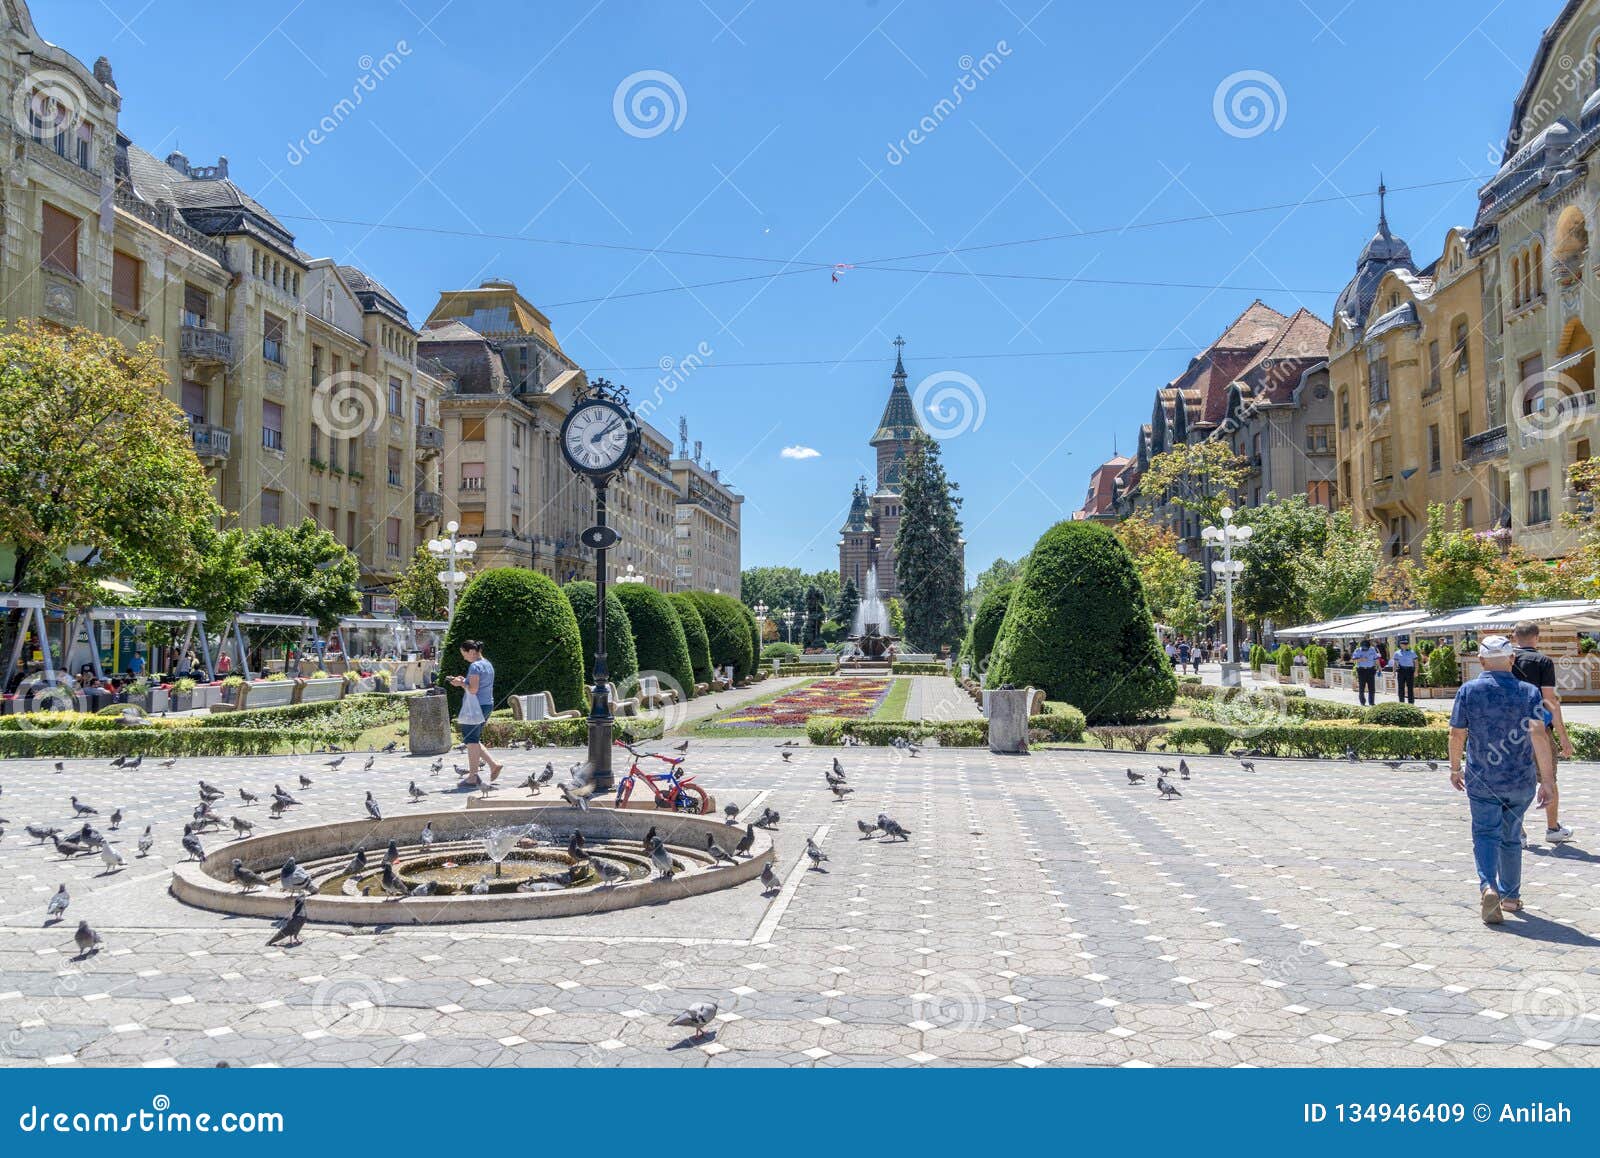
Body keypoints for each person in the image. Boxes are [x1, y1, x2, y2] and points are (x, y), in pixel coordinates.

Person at [1449, 634, 1557, 924]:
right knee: (1511, 837)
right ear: (1511, 659)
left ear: (1481, 661)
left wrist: (1455, 768)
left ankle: (1488, 887)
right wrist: (1547, 781)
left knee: (1485, 834)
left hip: (1482, 779)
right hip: (1520, 781)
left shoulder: (1469, 690)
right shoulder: (1529, 692)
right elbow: (1539, 736)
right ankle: (1510, 898)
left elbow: (1457, 733)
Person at [1510, 622, 1575, 844]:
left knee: (1514, 780)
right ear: (1536, 637)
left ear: (1514, 637)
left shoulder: (1505, 660)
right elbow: (1550, 700)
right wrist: (1563, 736)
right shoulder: (1543, 661)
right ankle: (1552, 828)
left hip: (1510, 732)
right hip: (1539, 729)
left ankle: (1517, 832)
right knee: (1549, 778)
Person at [448, 640, 503, 787]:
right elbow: (477, 685)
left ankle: (473, 777)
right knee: (473, 738)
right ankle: (493, 765)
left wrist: (460, 683)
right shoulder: (488, 664)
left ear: (472, 652)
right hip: (487, 704)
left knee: (471, 741)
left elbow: (473, 690)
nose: (464, 657)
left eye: (464, 654)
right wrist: (464, 681)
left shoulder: (475, 666)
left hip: (475, 707)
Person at [1351, 638, 1381, 706]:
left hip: (1370, 670)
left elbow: (1376, 659)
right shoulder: (1357, 650)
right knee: (1361, 687)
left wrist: (1379, 667)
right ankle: (1362, 702)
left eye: (1367, 648)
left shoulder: (1372, 649)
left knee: (1372, 687)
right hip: (1361, 670)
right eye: (1364, 648)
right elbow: (1353, 660)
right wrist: (1361, 659)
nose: (1365, 649)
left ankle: (1371, 703)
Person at [1392, 636, 1419, 704]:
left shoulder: (1412, 652)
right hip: (1401, 671)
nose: (1405, 645)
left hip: (1410, 671)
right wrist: (1393, 672)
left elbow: (1416, 662)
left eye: (1406, 644)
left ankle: (1411, 703)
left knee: (1410, 687)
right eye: (1404, 644)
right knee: (1401, 687)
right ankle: (1401, 703)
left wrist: (1416, 671)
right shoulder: (1397, 653)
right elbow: (1395, 663)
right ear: (1401, 645)